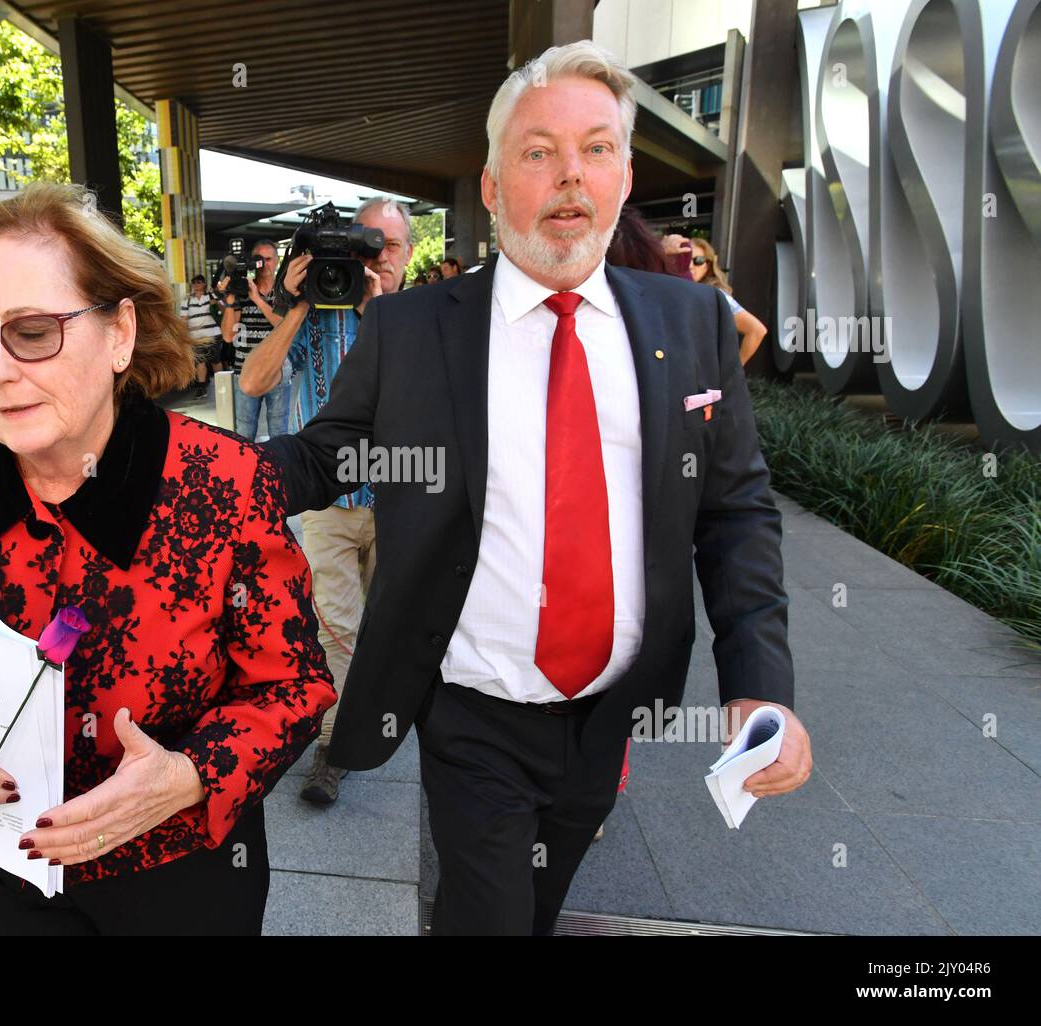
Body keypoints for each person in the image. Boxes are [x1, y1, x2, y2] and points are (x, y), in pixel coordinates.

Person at [263, 40, 811, 936]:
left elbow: (735, 508)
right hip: (471, 708)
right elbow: (325, 457)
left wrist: (761, 681)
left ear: (625, 176)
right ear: (489, 187)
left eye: (596, 148)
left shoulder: (693, 320)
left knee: (538, 905)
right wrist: (176, 466)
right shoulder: (410, 330)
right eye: (537, 151)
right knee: (489, 913)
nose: (570, 176)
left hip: (611, 710)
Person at [0, 183, 336, 936]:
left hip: (180, 881)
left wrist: (187, 777)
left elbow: (294, 684)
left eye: (33, 331)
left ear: (119, 332)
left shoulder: (222, 482)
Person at [240, 196, 414, 805]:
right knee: (336, 625)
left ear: (407, 254)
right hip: (330, 506)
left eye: (388, 248)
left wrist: (379, 313)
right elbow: (253, 383)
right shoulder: (312, 310)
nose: (378, 260)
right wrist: (299, 304)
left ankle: (387, 720)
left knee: (393, 626)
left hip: (403, 500)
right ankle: (332, 750)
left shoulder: (423, 317)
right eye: (369, 246)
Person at [218, 240, 290, 440]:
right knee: (244, 431)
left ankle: (279, 470)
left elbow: (283, 325)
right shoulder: (241, 291)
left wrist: (257, 298)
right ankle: (245, 470)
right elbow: (228, 336)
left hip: (278, 371)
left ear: (276, 261)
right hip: (245, 370)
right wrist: (231, 300)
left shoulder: (285, 291)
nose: (264, 264)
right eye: (259, 259)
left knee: (279, 431)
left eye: (268, 259)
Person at [688, 237, 768, 366]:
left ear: (707, 266)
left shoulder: (714, 295)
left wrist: (733, 371)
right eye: (685, 259)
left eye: (698, 260)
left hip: (700, 374)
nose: (690, 265)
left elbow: (757, 330)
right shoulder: (673, 289)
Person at [179, 274, 222, 399]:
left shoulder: (210, 296)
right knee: (200, 361)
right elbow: (183, 319)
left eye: (199, 282)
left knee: (215, 360)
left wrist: (216, 301)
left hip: (213, 334)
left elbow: (222, 307)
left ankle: (222, 385)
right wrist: (183, 335)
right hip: (196, 336)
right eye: (194, 282)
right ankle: (201, 387)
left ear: (204, 284)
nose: (197, 284)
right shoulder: (186, 300)